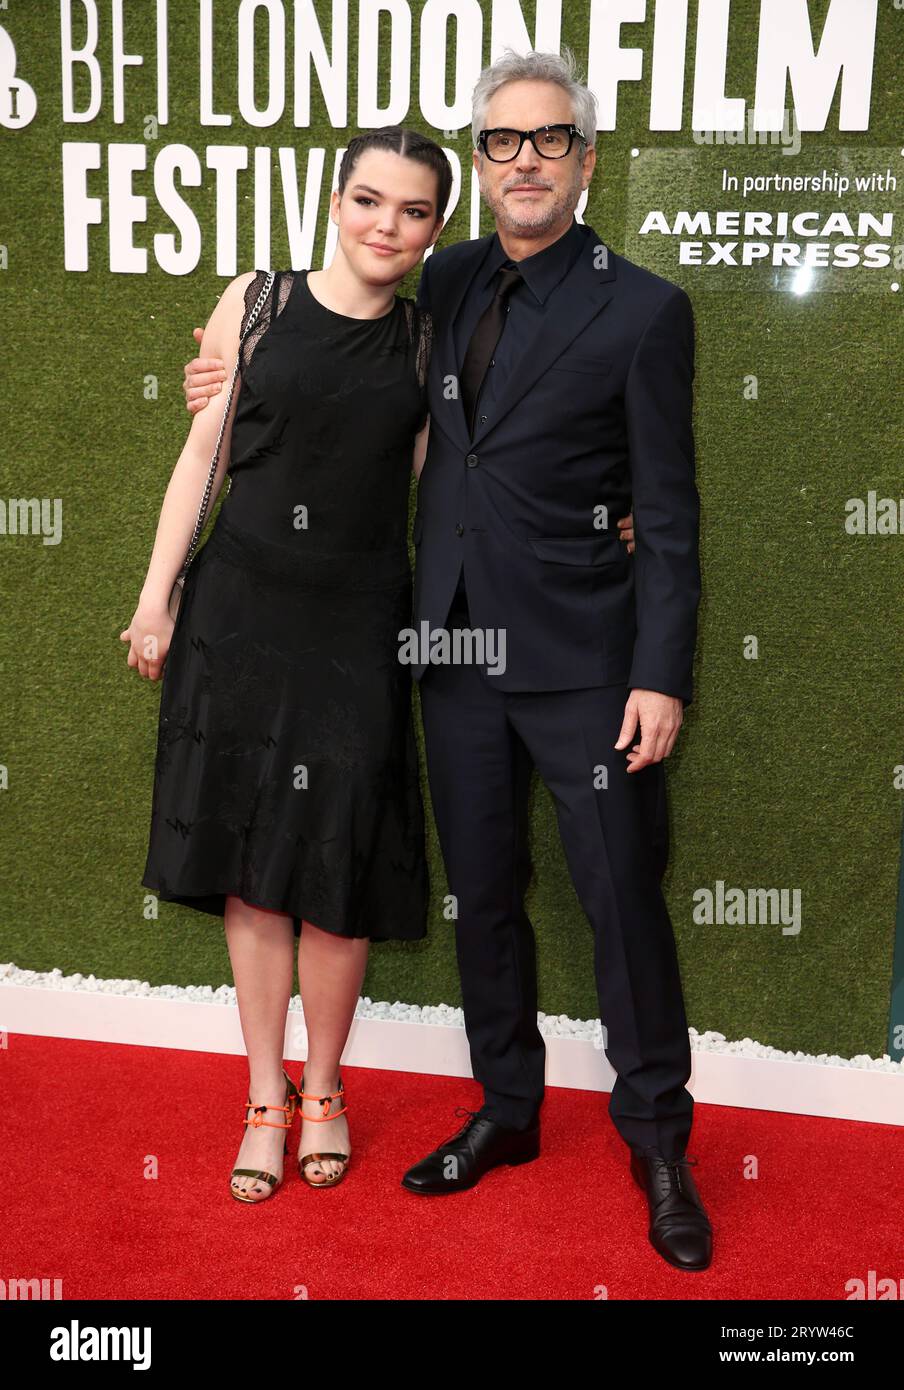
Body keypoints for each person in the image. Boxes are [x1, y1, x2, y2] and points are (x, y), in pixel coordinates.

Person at [401, 47, 712, 1273]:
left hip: (588, 659)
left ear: (587, 159)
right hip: (455, 643)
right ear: (478, 163)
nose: (522, 159)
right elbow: (357, 367)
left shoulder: (643, 308)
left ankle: (658, 1140)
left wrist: (662, 670)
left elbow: (670, 511)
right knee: (482, 893)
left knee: (620, 904)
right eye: (500, 140)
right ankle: (508, 1109)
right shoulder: (444, 278)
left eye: (548, 139)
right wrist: (230, 369)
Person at [122, 127, 450, 1202]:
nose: (384, 226)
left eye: (411, 212)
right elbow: (203, 453)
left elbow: (438, 492)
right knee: (254, 875)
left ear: (434, 229)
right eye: (367, 200)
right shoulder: (254, 301)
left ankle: (325, 1089)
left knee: (335, 874)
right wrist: (156, 592)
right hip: (240, 613)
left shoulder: (423, 344)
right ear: (334, 200)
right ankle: (265, 1095)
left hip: (358, 627)